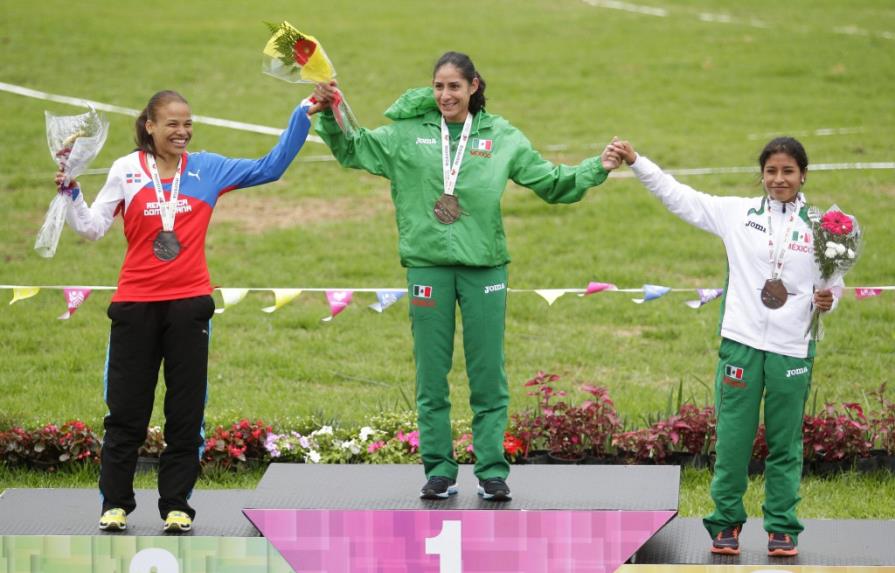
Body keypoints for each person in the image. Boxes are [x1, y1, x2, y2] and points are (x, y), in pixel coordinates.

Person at [312, 52, 619, 501]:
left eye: (454, 86)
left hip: (485, 268)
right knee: (431, 374)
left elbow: (552, 182)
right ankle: (439, 468)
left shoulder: (501, 136)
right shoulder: (407, 134)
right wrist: (332, 110)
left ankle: (492, 469)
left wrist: (599, 166)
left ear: (474, 86)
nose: (445, 95)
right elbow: (355, 147)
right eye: (438, 86)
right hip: (427, 265)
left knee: (487, 373)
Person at [55, 90, 320, 533]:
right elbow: (92, 229)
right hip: (135, 306)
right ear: (149, 126)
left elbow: (270, 168)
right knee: (126, 413)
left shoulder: (207, 168)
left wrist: (300, 114)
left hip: (189, 306)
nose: (181, 131)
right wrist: (71, 193)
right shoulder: (125, 170)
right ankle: (115, 504)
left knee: (185, 412)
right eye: (172, 124)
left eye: (187, 123)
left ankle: (176, 505)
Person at [605, 136, 841, 557]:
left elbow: (832, 285)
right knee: (733, 439)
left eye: (788, 171)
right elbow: (680, 197)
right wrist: (638, 162)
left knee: (786, 442)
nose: (779, 179)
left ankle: (782, 527)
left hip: (793, 347)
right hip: (741, 344)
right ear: (762, 175)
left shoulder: (824, 227)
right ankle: (726, 522)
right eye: (771, 171)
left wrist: (829, 299)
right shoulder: (737, 214)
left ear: (803, 175)